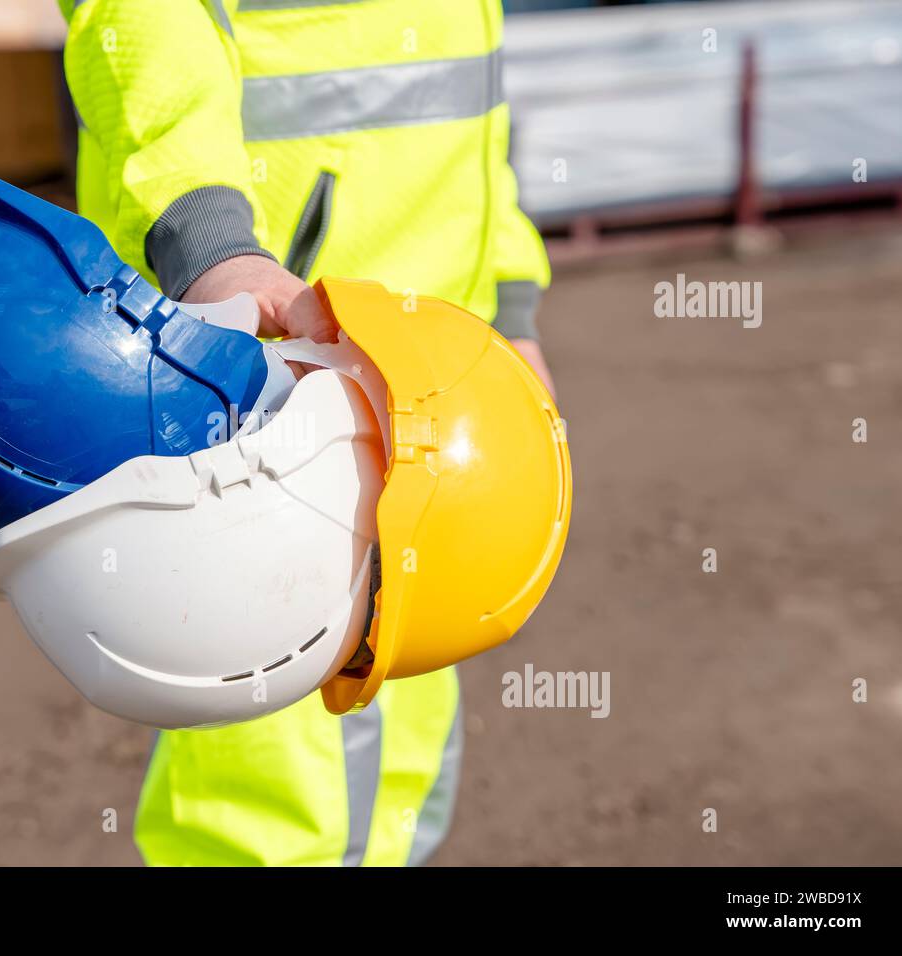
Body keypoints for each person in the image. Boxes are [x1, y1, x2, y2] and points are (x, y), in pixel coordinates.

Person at [57, 0, 554, 865]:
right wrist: (210, 246)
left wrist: (508, 305)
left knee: (403, 749)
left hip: (432, 379)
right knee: (268, 785)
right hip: (274, 371)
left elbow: (470, 89)